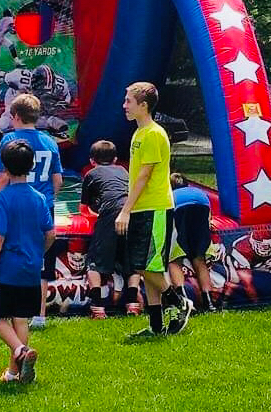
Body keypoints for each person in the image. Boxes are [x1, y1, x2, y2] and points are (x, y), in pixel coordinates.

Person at [115, 82, 193, 337]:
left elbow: (144, 176)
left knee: (146, 265)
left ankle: (180, 302)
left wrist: (125, 209)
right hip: (142, 208)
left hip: (155, 208)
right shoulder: (139, 133)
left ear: (143, 106)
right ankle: (156, 326)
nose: (125, 105)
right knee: (145, 266)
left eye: (129, 101)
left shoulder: (153, 134)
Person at [0, 93, 62, 328]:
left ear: (16, 116)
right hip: (42, 202)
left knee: (11, 253)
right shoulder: (50, 142)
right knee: (41, 261)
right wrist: (50, 199)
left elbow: (1, 177)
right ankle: (39, 314)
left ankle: (5, 309)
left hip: (15, 202)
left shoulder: (10, 139)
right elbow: (58, 179)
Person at [0, 139, 55, 383]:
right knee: (20, 318)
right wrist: (39, 252)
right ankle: (14, 372)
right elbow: (50, 234)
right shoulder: (39, 199)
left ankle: (20, 350)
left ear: (4, 167)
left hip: (8, 268)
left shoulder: (2, 199)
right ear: (31, 166)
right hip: (31, 269)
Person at [81, 140, 142, 318]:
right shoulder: (123, 171)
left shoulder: (91, 174)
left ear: (92, 161)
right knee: (131, 261)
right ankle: (132, 303)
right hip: (130, 213)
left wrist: (97, 215)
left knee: (94, 261)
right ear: (115, 159)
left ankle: (98, 306)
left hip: (110, 216)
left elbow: (83, 209)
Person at [168, 173, 216, 313]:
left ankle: (184, 301)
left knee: (174, 261)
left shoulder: (170, 196)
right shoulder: (200, 193)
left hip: (179, 217)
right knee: (199, 259)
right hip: (200, 214)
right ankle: (209, 302)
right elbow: (209, 219)